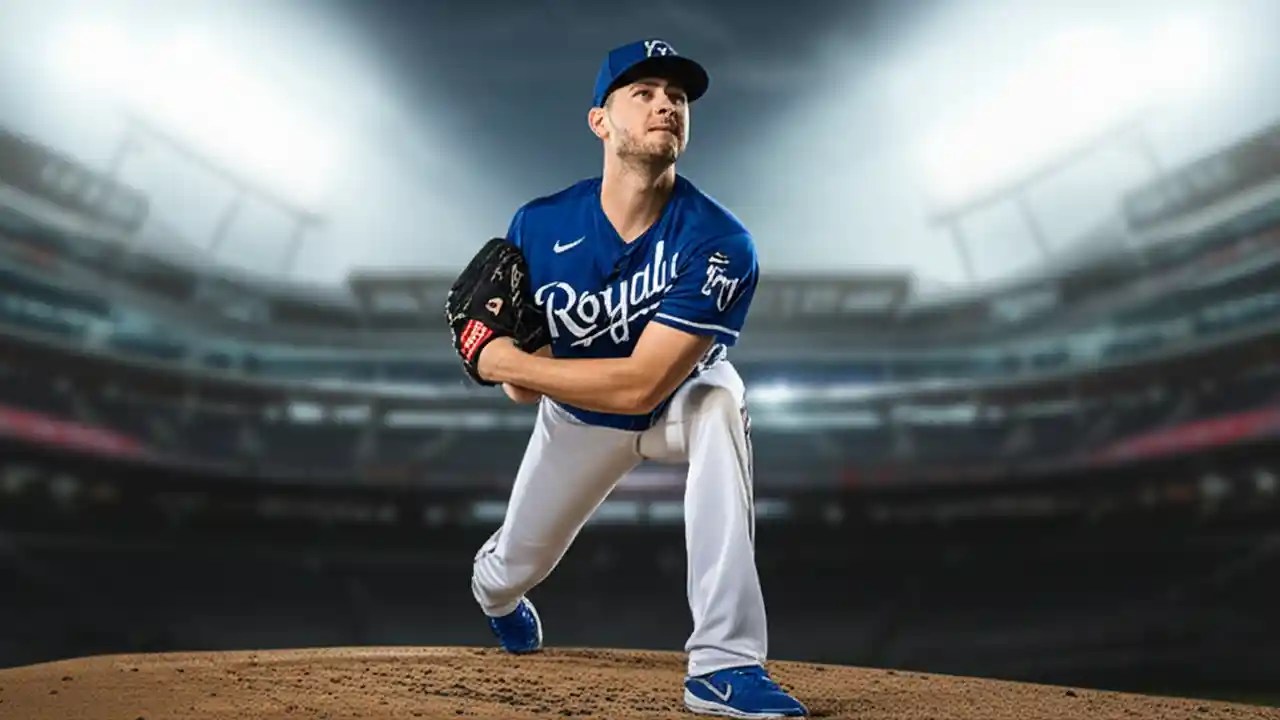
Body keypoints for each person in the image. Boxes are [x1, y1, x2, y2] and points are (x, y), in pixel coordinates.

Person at [469, 38, 808, 718]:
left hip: (671, 406)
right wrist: (510, 368)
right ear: (601, 120)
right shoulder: (538, 226)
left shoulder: (720, 241)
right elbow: (522, 390)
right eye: (644, 93)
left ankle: (723, 663)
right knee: (509, 571)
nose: (666, 106)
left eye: (677, 97)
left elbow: (643, 387)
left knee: (720, 400)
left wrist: (498, 357)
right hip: (576, 422)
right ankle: (497, 596)